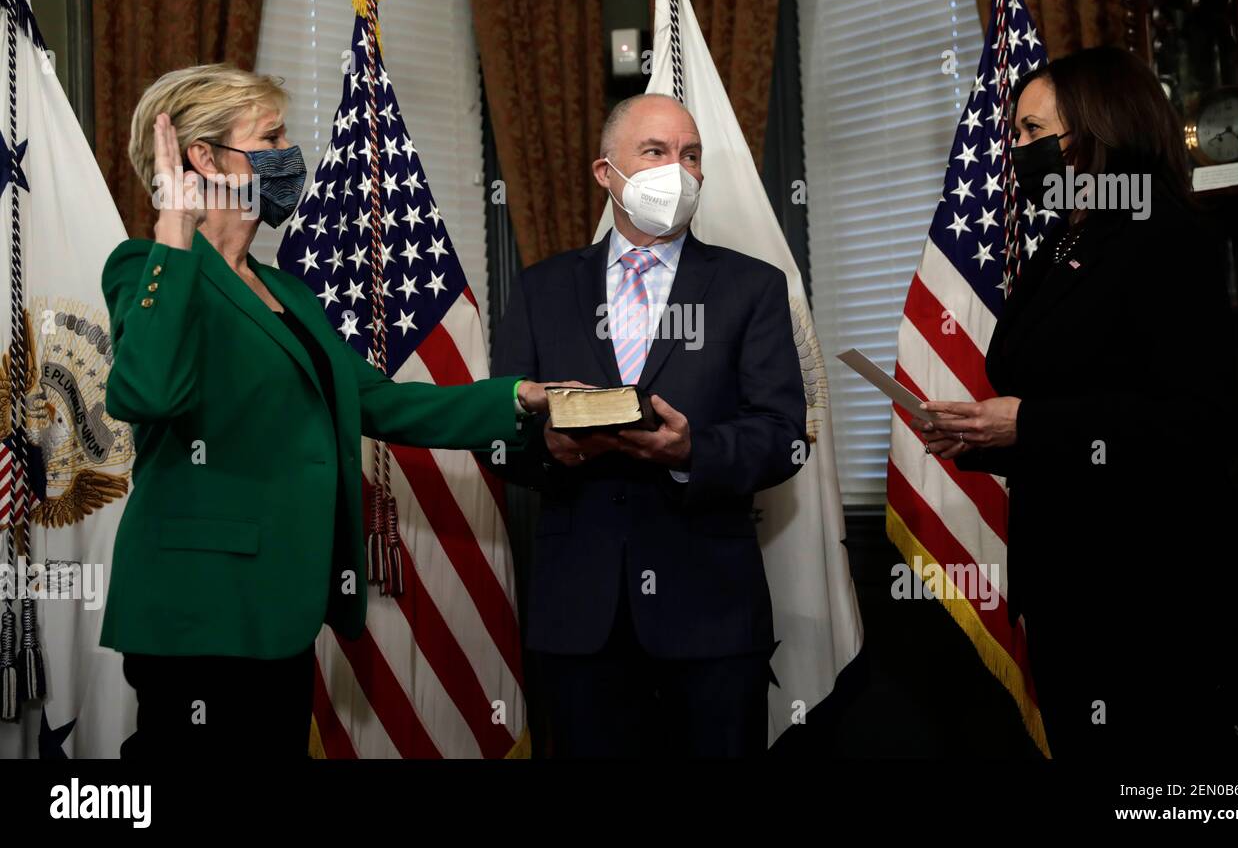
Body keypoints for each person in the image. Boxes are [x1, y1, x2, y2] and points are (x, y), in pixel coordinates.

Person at [102, 63, 568, 758]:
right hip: (200, 609)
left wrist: (520, 397)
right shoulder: (145, 269)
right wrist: (175, 221)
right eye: (271, 136)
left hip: (283, 603)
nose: (291, 155)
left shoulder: (288, 294)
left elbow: (378, 400)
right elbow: (148, 393)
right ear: (204, 156)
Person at [914, 47, 1238, 757]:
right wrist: (983, 436)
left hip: (1149, 592)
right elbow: (1057, 400)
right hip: (1067, 584)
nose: (1017, 150)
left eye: (1034, 132)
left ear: (1098, 128)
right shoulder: (1065, 241)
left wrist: (1027, 421)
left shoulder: (1166, 238)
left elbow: (1198, 420)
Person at [489, 93, 807, 757]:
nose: (679, 171)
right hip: (580, 615)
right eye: (656, 152)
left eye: (691, 156)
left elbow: (782, 436)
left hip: (711, 614)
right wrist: (550, 448)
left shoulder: (751, 286)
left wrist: (691, 449)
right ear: (606, 172)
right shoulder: (542, 288)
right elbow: (500, 435)